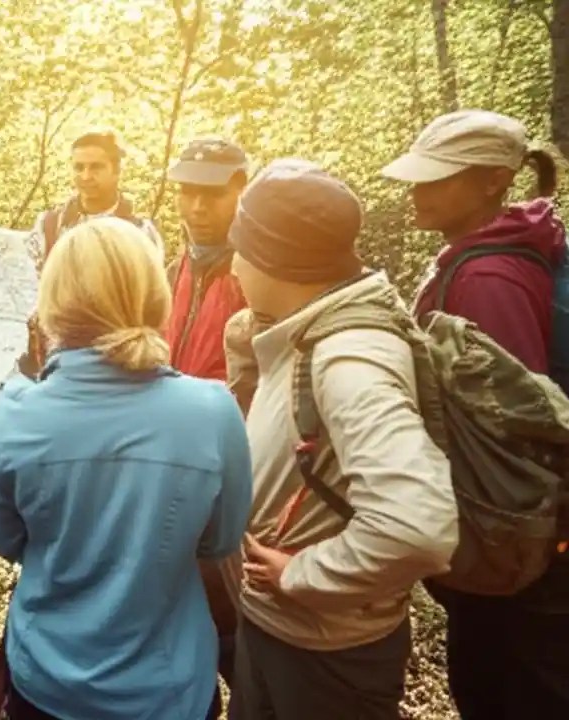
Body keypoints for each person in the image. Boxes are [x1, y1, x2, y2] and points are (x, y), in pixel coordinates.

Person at [0, 216, 252, 720]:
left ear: (53, 302)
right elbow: (220, 540)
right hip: (171, 689)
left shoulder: (14, 411)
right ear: (152, 295)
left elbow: (7, 541)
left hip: (46, 679)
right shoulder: (214, 412)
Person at [226, 159, 458, 720]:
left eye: (243, 249)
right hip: (285, 634)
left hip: (323, 657)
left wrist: (302, 575)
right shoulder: (312, 328)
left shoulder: (349, 357)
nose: (233, 265)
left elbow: (418, 528)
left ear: (278, 260)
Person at [381, 109, 569, 718]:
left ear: (492, 180)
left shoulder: (488, 275)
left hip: (517, 556)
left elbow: (511, 430)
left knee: (507, 689)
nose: (417, 189)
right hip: (530, 549)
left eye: (437, 176)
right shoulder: (494, 253)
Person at [163, 135, 251, 719]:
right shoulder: (174, 269)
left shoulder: (257, 272)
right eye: (188, 192)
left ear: (240, 190)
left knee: (232, 620)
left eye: (212, 194)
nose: (197, 207)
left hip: (232, 472)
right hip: (174, 470)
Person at [19, 128, 163, 376]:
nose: (86, 176)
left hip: (117, 353)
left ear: (116, 171)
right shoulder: (49, 225)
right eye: (79, 167)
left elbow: (149, 297)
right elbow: (27, 282)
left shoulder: (140, 231)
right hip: (54, 353)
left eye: (96, 167)